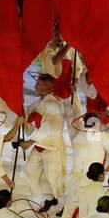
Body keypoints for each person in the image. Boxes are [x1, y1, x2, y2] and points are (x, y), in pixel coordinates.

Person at [19, 73, 68, 210]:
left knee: (54, 177)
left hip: (51, 145)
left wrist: (30, 141)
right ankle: (48, 198)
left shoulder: (55, 104)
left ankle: (64, 204)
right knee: (31, 171)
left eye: (39, 84)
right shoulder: (37, 101)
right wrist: (20, 109)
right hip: (38, 144)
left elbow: (52, 129)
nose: (35, 86)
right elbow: (28, 116)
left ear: (48, 86)